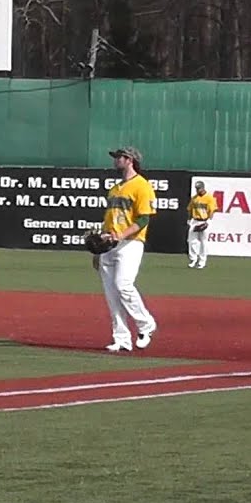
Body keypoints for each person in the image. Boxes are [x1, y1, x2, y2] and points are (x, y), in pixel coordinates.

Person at [94, 146, 159, 352]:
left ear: (129, 160)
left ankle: (145, 323)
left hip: (130, 243)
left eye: (118, 157)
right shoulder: (115, 188)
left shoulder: (142, 185)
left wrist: (122, 235)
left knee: (123, 285)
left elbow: (144, 218)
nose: (115, 161)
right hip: (110, 244)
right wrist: (99, 250)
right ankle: (121, 338)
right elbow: (108, 220)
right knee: (112, 294)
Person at [186, 180, 218, 268]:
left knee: (203, 242)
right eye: (196, 188)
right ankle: (193, 259)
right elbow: (190, 209)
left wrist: (209, 221)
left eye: (199, 188)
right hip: (195, 220)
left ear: (203, 188)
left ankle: (202, 261)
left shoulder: (209, 198)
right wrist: (189, 219)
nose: (197, 190)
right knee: (192, 241)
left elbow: (212, 211)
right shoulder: (194, 198)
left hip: (204, 220)